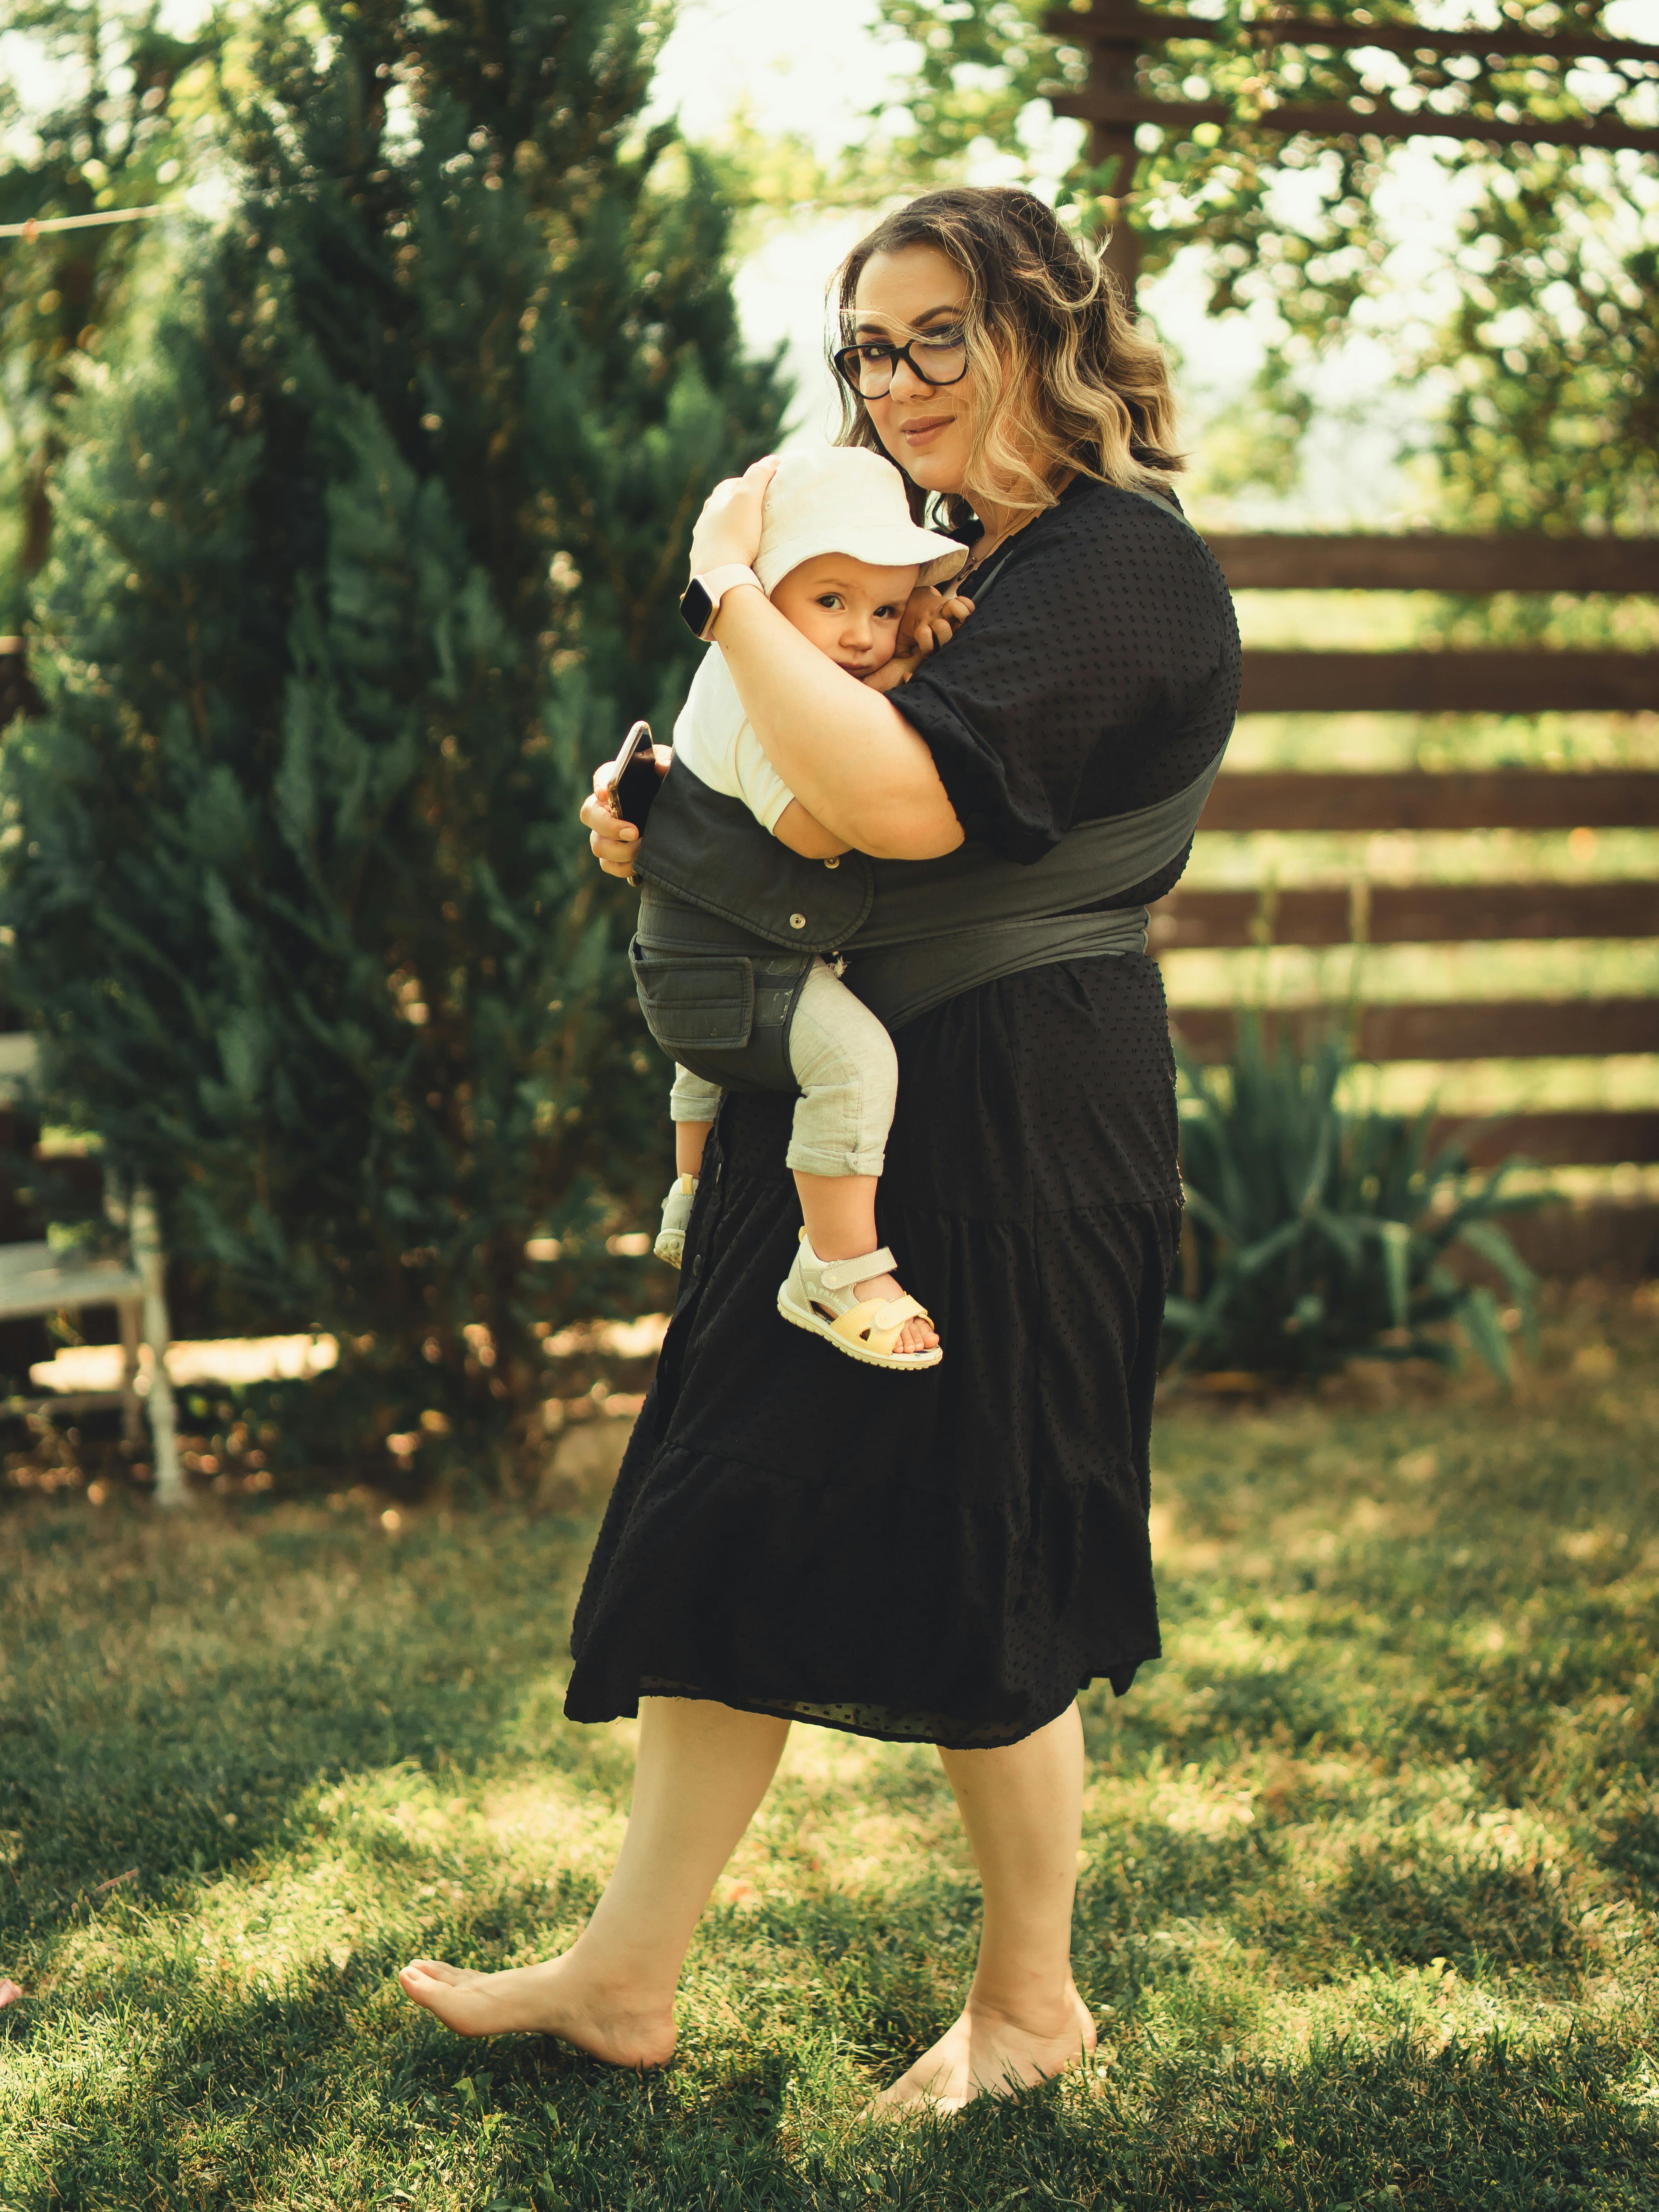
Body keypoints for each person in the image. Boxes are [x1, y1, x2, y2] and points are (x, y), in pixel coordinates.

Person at [399, 185, 1241, 2113]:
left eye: (933, 330)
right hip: (836, 1105)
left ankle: (1028, 2007)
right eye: (865, 347)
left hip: (1017, 1111)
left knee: (985, 1542)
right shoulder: (947, 556)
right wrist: (663, 824)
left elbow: (895, 803)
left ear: (1036, 325)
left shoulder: (1113, 569)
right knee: (725, 1507)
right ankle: (623, 1974)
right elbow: (795, 793)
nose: (894, 379)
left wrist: (723, 593)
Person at [646, 444, 972, 1370]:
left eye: (884, 609)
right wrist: (902, 688)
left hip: (702, 960)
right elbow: (814, 834)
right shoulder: (754, 693)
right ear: (759, 590)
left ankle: (688, 1194)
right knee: (855, 1063)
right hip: (734, 970)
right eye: (829, 601)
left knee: (707, 1073)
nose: (862, 635)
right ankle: (836, 1267)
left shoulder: (786, 678)